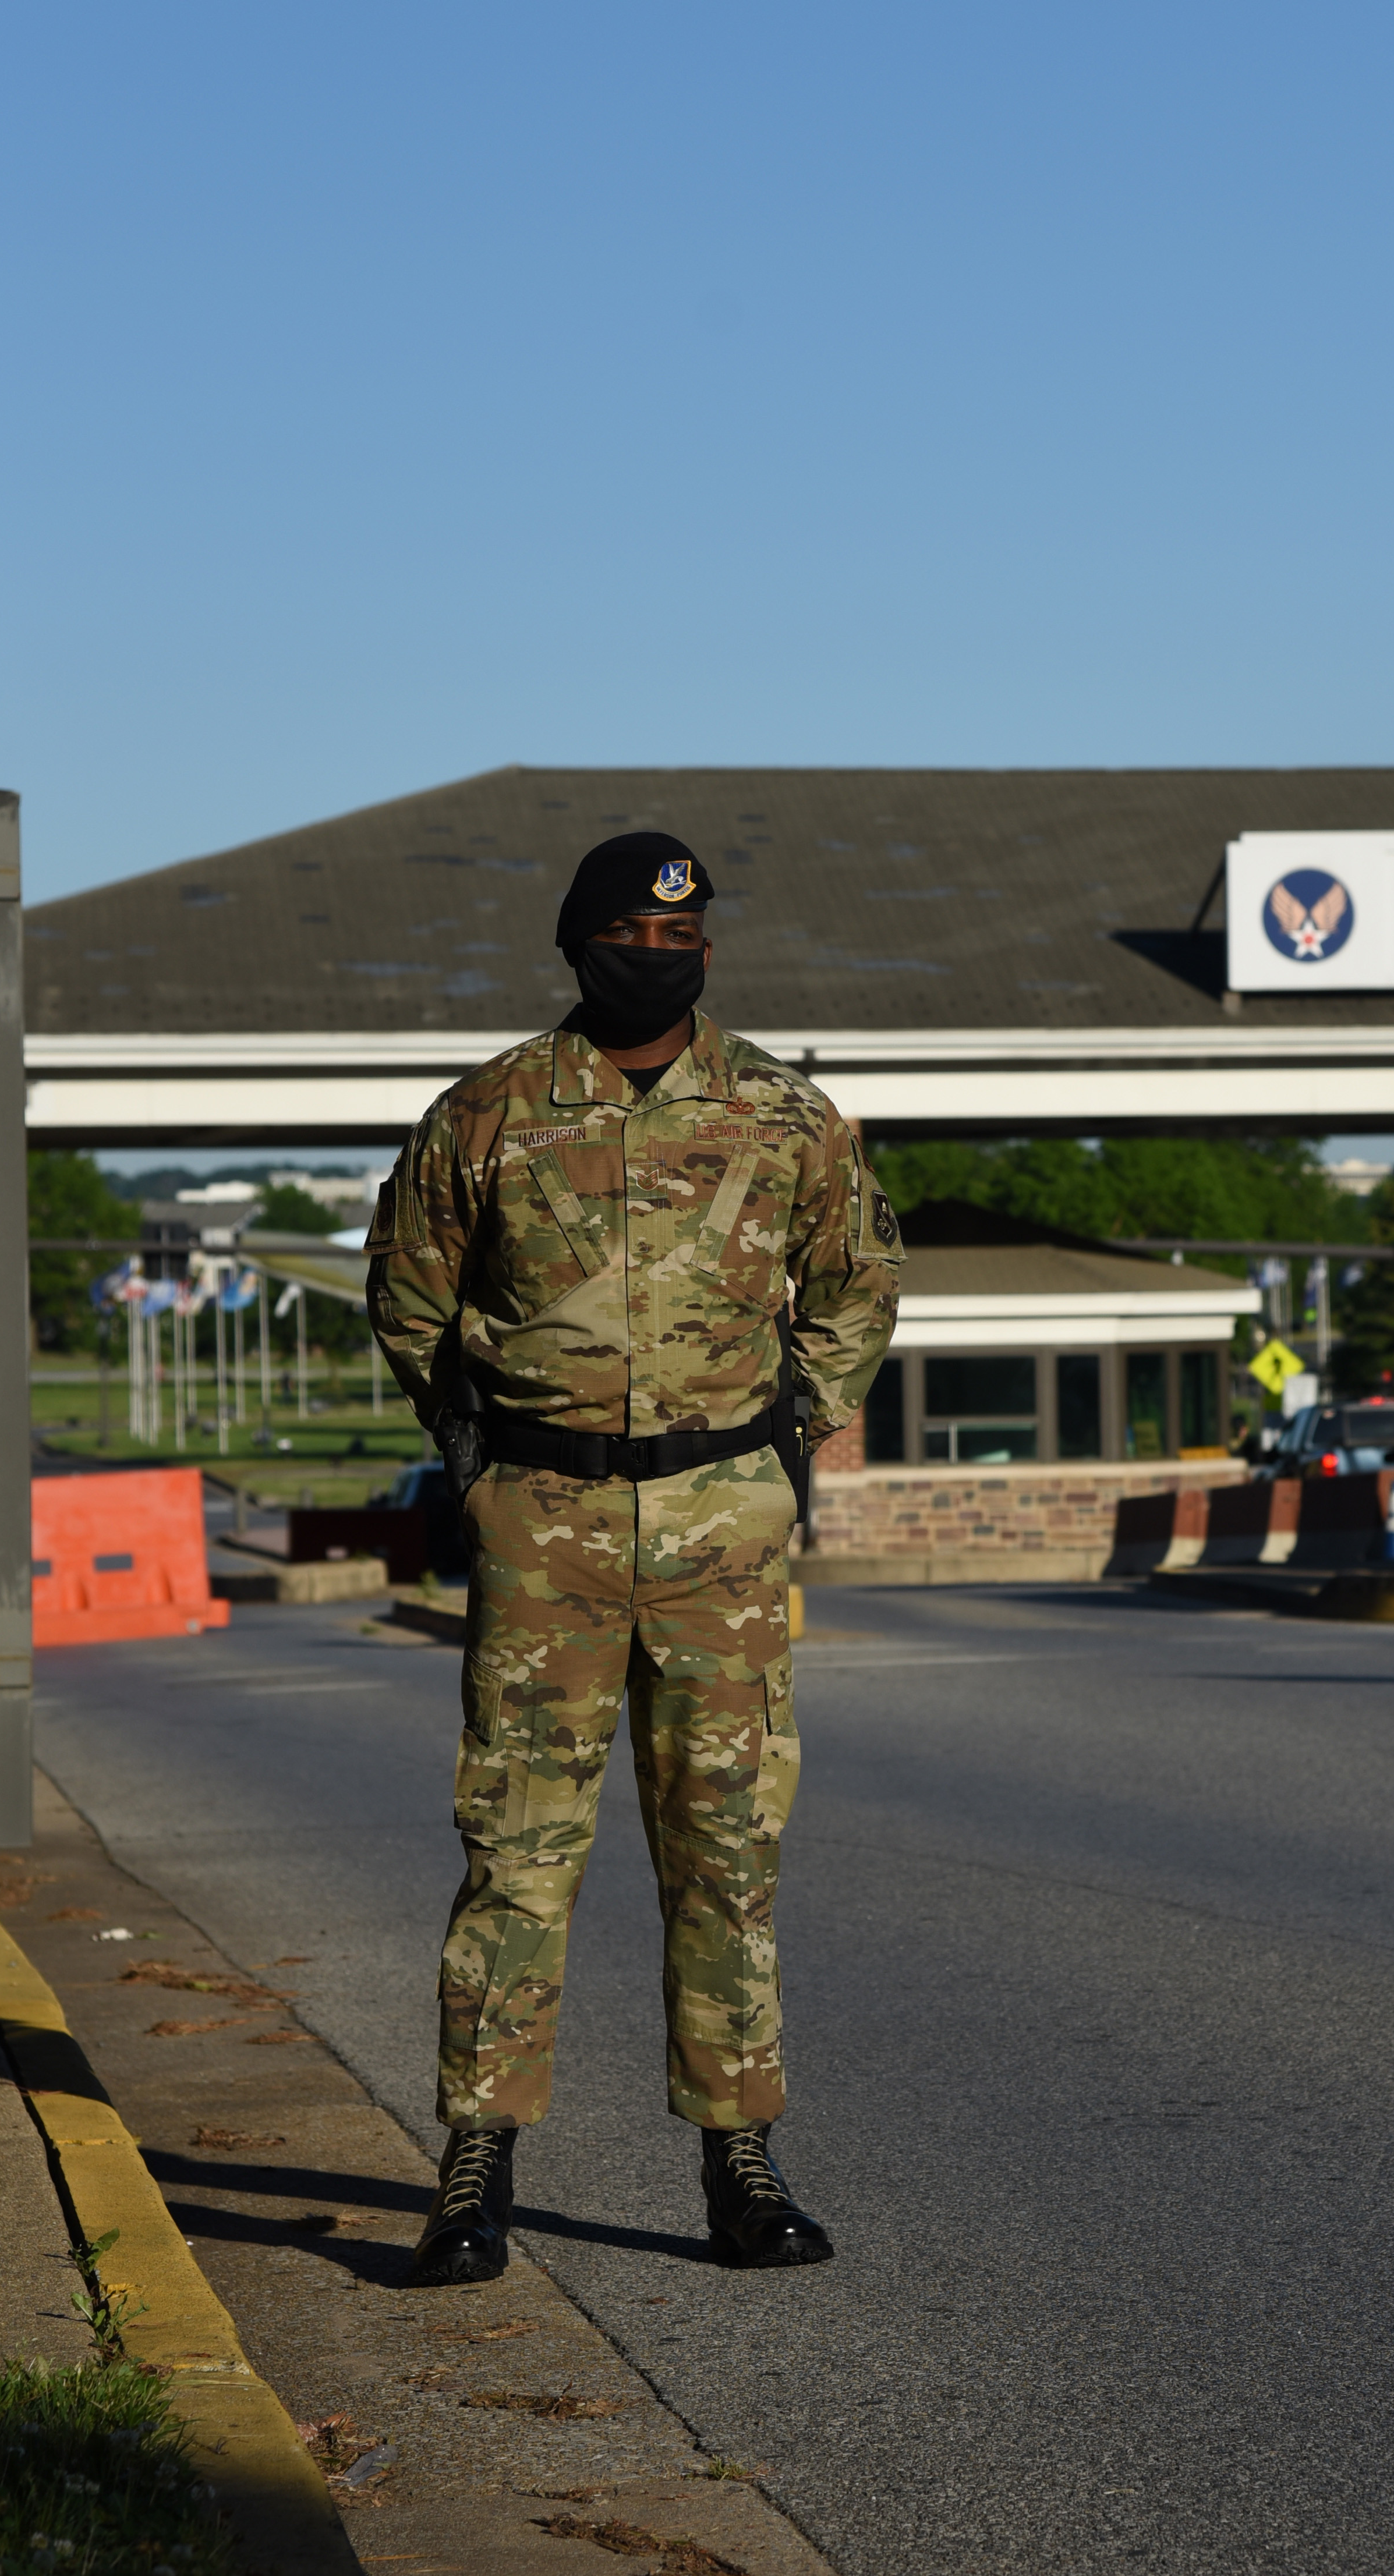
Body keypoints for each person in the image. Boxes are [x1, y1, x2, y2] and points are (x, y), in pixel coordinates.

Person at [365, 831, 900, 2283]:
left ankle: (741, 2162)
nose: (654, 955)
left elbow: (860, 1284)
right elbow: (409, 1296)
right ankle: (476, 2165)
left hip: (722, 1530)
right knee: (517, 1860)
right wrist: (474, 1456)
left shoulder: (791, 1120)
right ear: (577, 947)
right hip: (547, 1528)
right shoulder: (485, 1116)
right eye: (627, 935)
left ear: (706, 949)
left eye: (679, 936)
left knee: (724, 1857)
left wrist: (795, 1436)